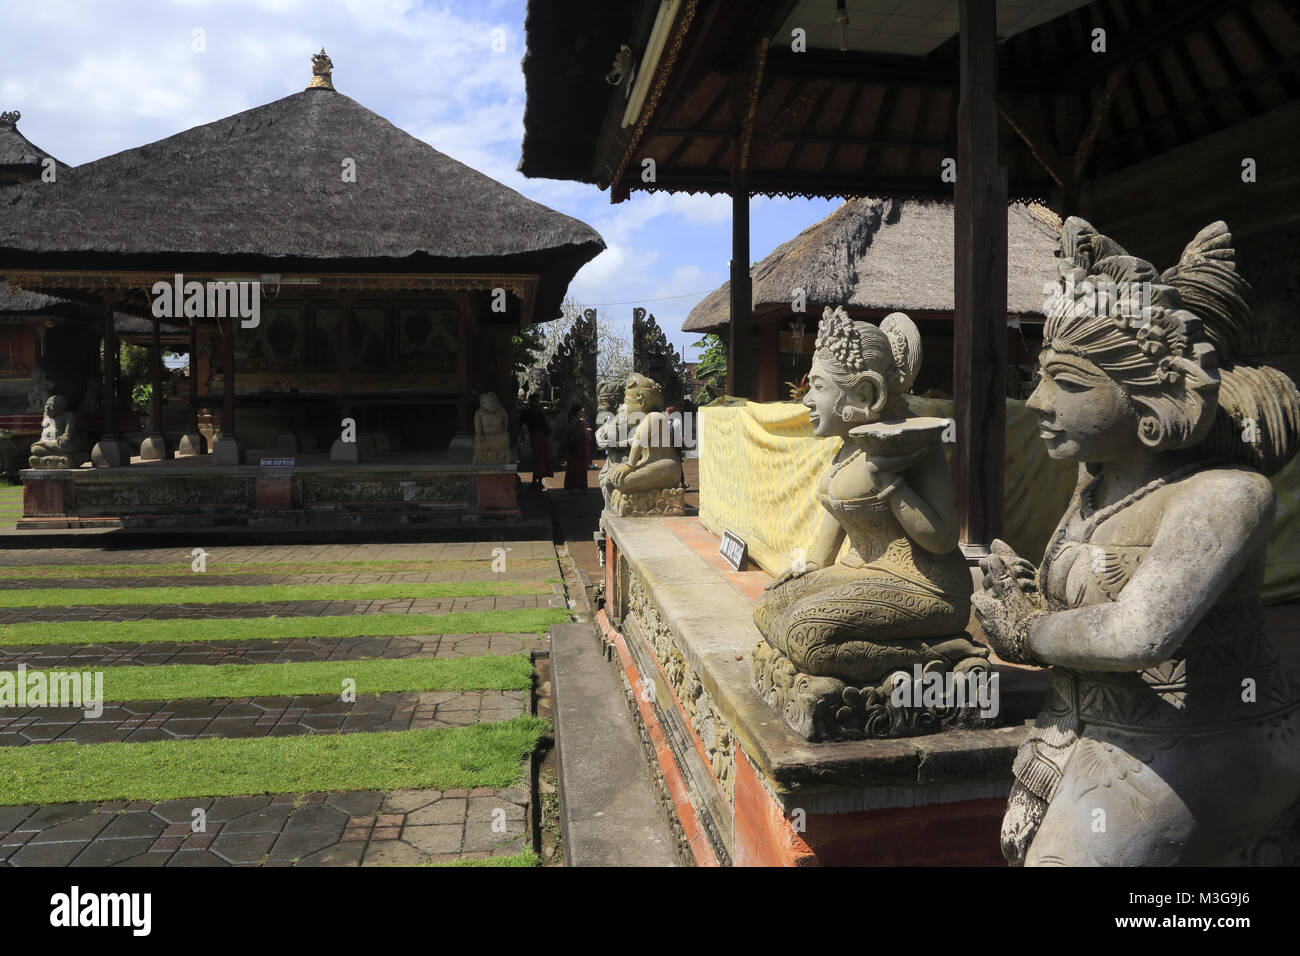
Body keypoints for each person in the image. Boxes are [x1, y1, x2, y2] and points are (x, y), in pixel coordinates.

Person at [972, 218, 1300, 866]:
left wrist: (1025, 633)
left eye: (1067, 384)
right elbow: (1079, 592)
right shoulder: (1094, 481)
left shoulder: (1225, 496)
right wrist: (1022, 589)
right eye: (1041, 377)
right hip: (1088, 727)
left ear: (1153, 401)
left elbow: (1139, 634)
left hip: (1206, 740)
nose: (1036, 402)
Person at [520, 394, 552, 490]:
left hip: (543, 437)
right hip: (535, 437)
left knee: (543, 459)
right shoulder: (527, 412)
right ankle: (535, 481)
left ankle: (539, 480)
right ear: (531, 402)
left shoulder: (540, 411)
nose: (537, 403)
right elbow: (521, 424)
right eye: (535, 401)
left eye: (538, 401)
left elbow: (546, 424)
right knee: (538, 459)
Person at [563, 404, 592, 493]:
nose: (584, 413)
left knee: (572, 467)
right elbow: (586, 436)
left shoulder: (571, 422)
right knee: (581, 468)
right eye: (582, 411)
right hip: (580, 447)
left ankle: (571, 487)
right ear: (578, 412)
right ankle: (581, 487)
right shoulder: (581, 423)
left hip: (573, 447)